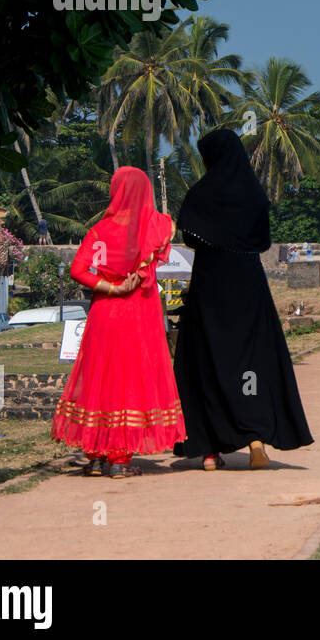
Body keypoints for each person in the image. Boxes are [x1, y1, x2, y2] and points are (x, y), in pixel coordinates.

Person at [173, 129, 314, 470]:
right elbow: (262, 241)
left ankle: (209, 450)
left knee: (207, 358)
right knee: (252, 360)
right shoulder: (253, 193)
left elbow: (189, 237)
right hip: (248, 282)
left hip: (210, 284)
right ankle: (254, 438)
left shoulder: (201, 193)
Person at [52, 167, 184, 479]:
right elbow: (151, 260)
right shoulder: (155, 227)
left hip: (104, 313)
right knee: (130, 379)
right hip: (138, 312)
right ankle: (119, 458)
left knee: (101, 377)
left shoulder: (99, 230)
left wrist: (110, 287)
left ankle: (96, 456)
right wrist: (129, 283)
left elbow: (78, 269)